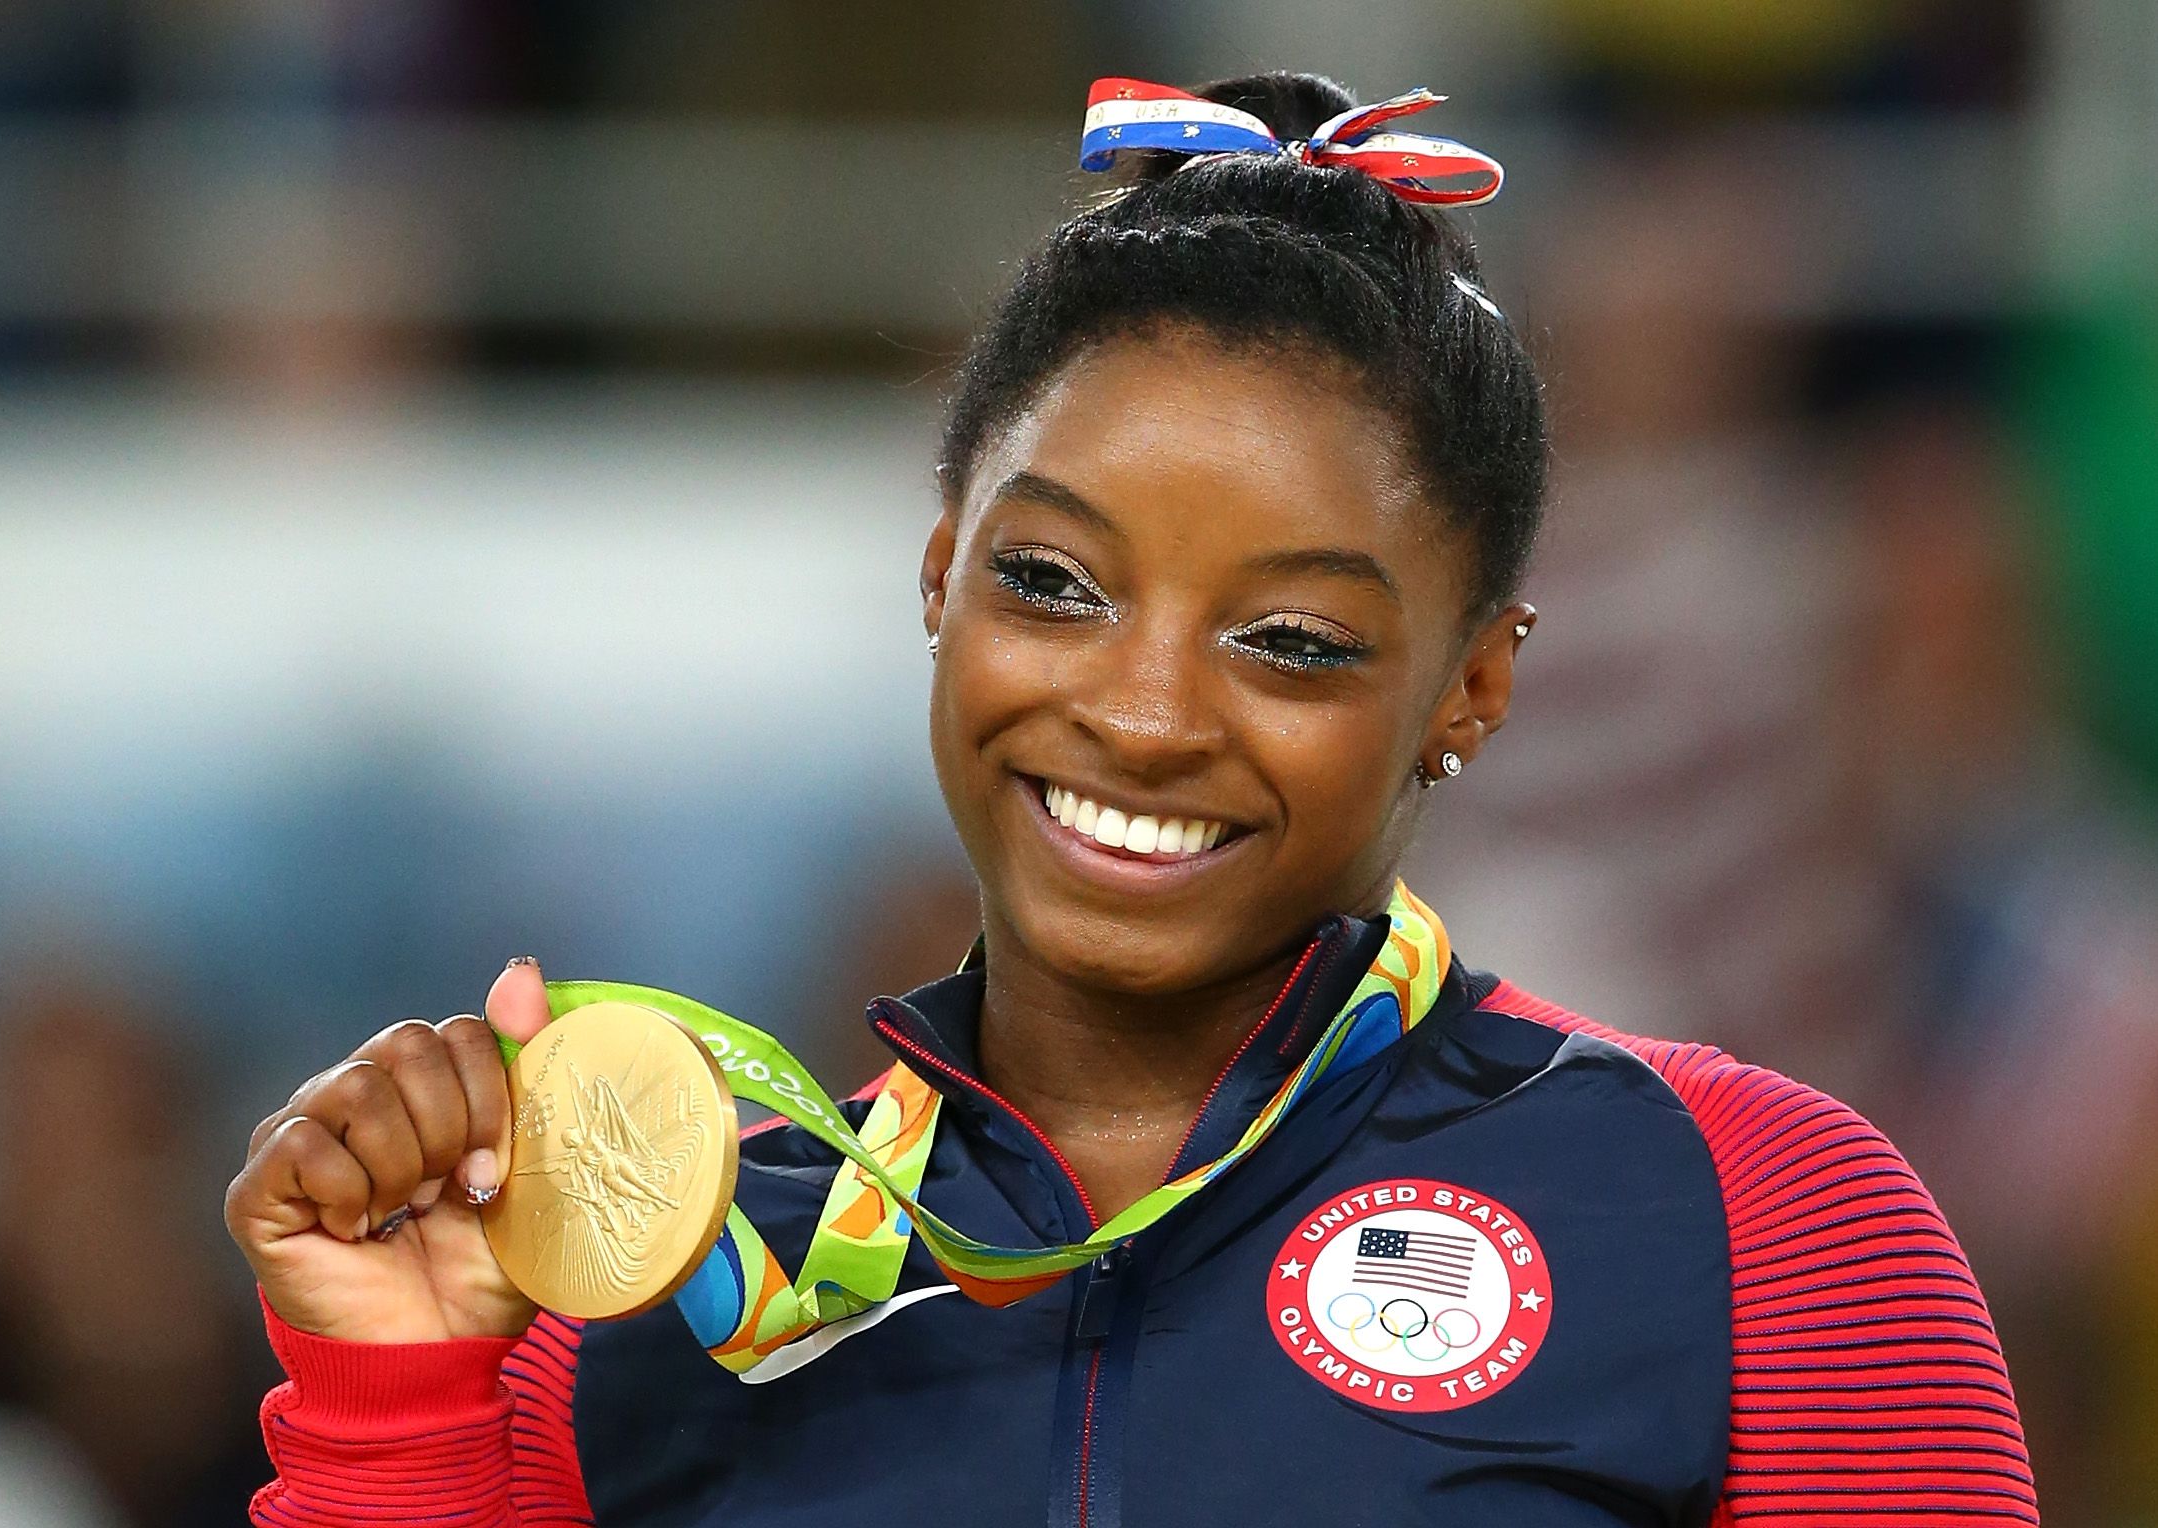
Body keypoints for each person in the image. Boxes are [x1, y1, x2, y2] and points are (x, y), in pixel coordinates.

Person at [224, 72, 2038, 1525]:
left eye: (1292, 640)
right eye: (1055, 585)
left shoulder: (1758, 1224)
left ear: (1472, 687)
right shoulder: (648, 1306)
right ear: (941, 572)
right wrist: (401, 1391)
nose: (1147, 713)